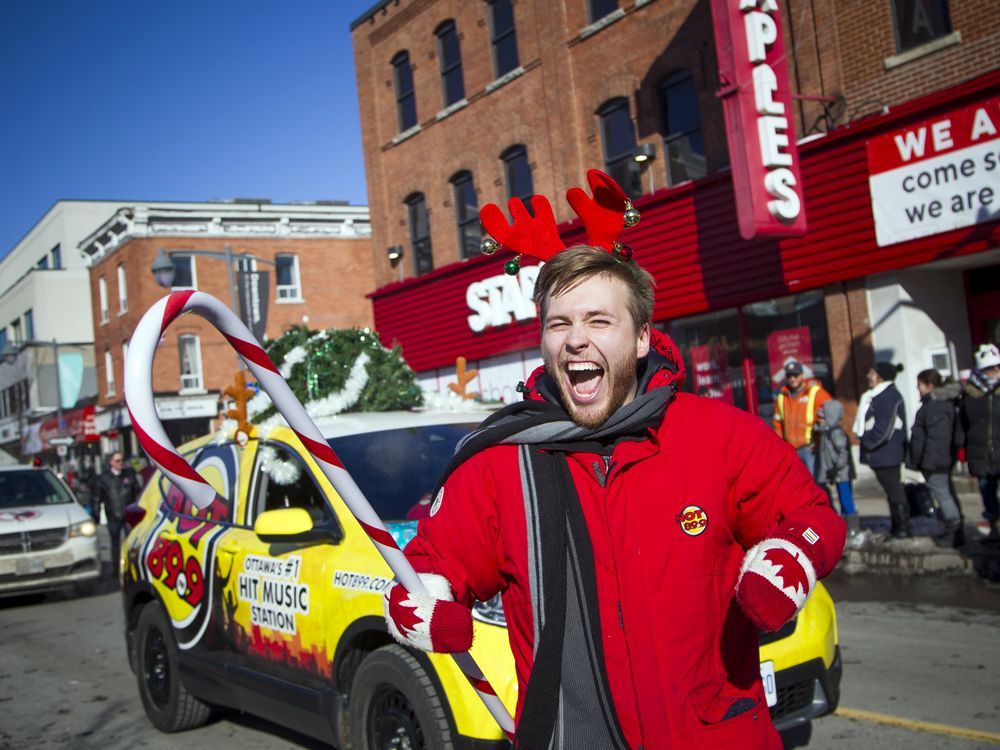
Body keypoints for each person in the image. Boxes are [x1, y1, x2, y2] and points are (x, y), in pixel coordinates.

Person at [380, 171, 846, 750]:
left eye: (599, 321)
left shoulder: (720, 436)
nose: (576, 340)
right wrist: (421, 601)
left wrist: (790, 555)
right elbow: (431, 565)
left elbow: (810, 514)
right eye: (560, 324)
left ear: (643, 337)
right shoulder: (501, 463)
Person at [908, 369, 964, 547]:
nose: (918, 389)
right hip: (937, 458)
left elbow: (935, 439)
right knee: (946, 493)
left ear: (930, 385)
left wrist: (924, 461)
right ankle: (955, 531)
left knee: (943, 495)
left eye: (920, 385)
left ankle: (953, 531)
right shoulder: (937, 404)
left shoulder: (936, 407)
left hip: (935, 460)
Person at [856, 362, 909, 540]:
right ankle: (898, 526)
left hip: (887, 454)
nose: (868, 376)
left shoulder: (888, 396)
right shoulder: (877, 396)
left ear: (880, 376)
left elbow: (884, 429)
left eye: (871, 373)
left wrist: (866, 442)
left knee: (895, 491)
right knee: (892, 492)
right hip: (882, 454)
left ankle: (903, 528)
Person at [955, 343, 1000, 544]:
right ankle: (995, 530)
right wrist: (960, 450)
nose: (995, 372)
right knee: (988, 494)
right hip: (980, 453)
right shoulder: (970, 394)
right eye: (991, 369)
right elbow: (962, 425)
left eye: (997, 367)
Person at [813, 399, 862, 546]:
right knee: (841, 499)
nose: (820, 421)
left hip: (842, 473)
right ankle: (845, 526)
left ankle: (853, 527)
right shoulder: (827, 432)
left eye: (823, 418)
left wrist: (836, 468)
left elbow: (843, 453)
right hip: (837, 472)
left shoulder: (836, 433)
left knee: (846, 499)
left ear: (830, 417)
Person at [773, 358, 831, 475]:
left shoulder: (814, 392)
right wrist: (781, 446)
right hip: (791, 450)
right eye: (789, 376)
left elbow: (829, 415)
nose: (792, 379)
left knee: (816, 484)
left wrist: (819, 440)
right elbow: (778, 424)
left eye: (795, 375)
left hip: (810, 448)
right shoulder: (782, 397)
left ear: (802, 375)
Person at [93, 451, 140, 576]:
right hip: (114, 515)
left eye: (122, 460)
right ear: (111, 462)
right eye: (117, 461)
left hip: (129, 516)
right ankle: (116, 569)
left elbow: (138, 492)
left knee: (131, 542)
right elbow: (97, 498)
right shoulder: (104, 478)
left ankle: (132, 568)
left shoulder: (129, 475)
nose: (121, 463)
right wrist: (96, 516)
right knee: (115, 543)